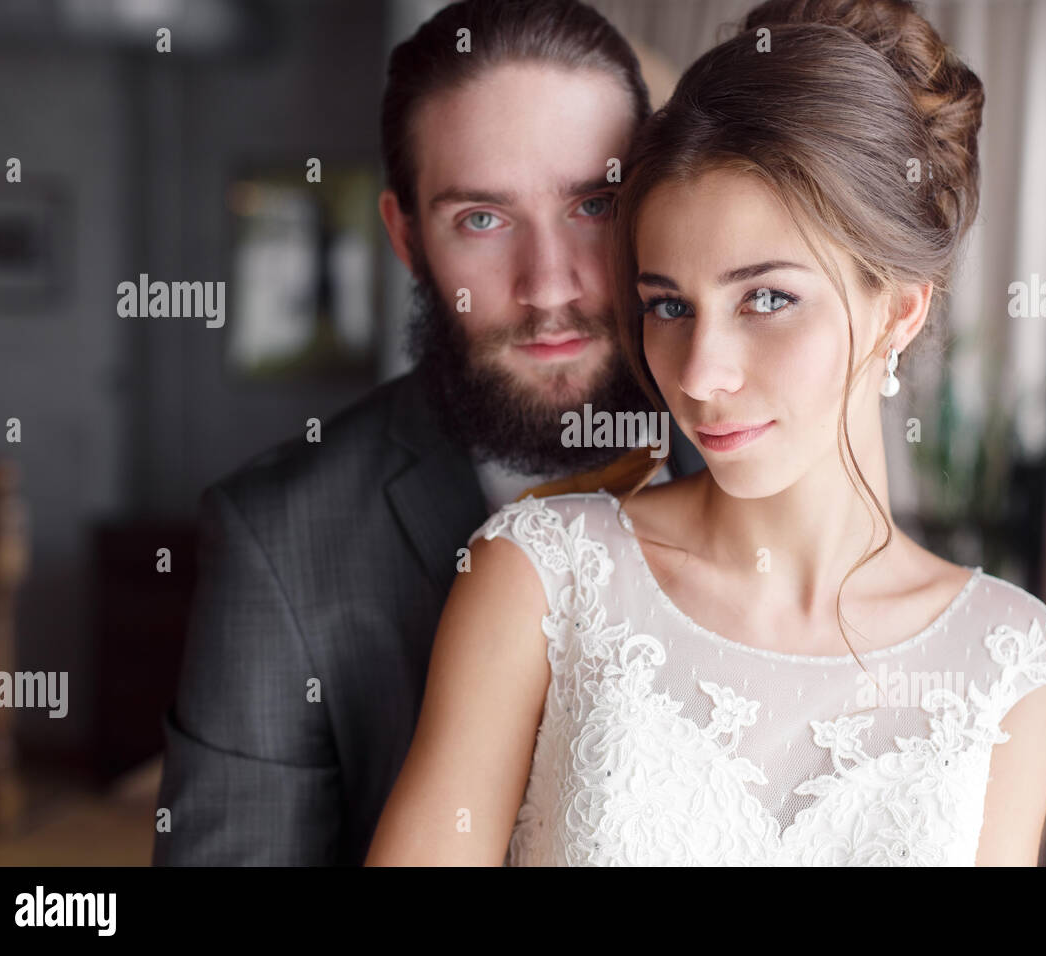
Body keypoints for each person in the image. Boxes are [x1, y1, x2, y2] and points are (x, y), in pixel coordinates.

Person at [365, 0, 1046, 867]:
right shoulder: (542, 578)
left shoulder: (1009, 667)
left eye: (767, 298)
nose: (699, 373)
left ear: (898, 310)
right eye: (669, 305)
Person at [152, 0, 704, 866]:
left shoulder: (771, 464)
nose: (548, 285)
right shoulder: (276, 542)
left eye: (595, 205)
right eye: (482, 219)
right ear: (406, 236)